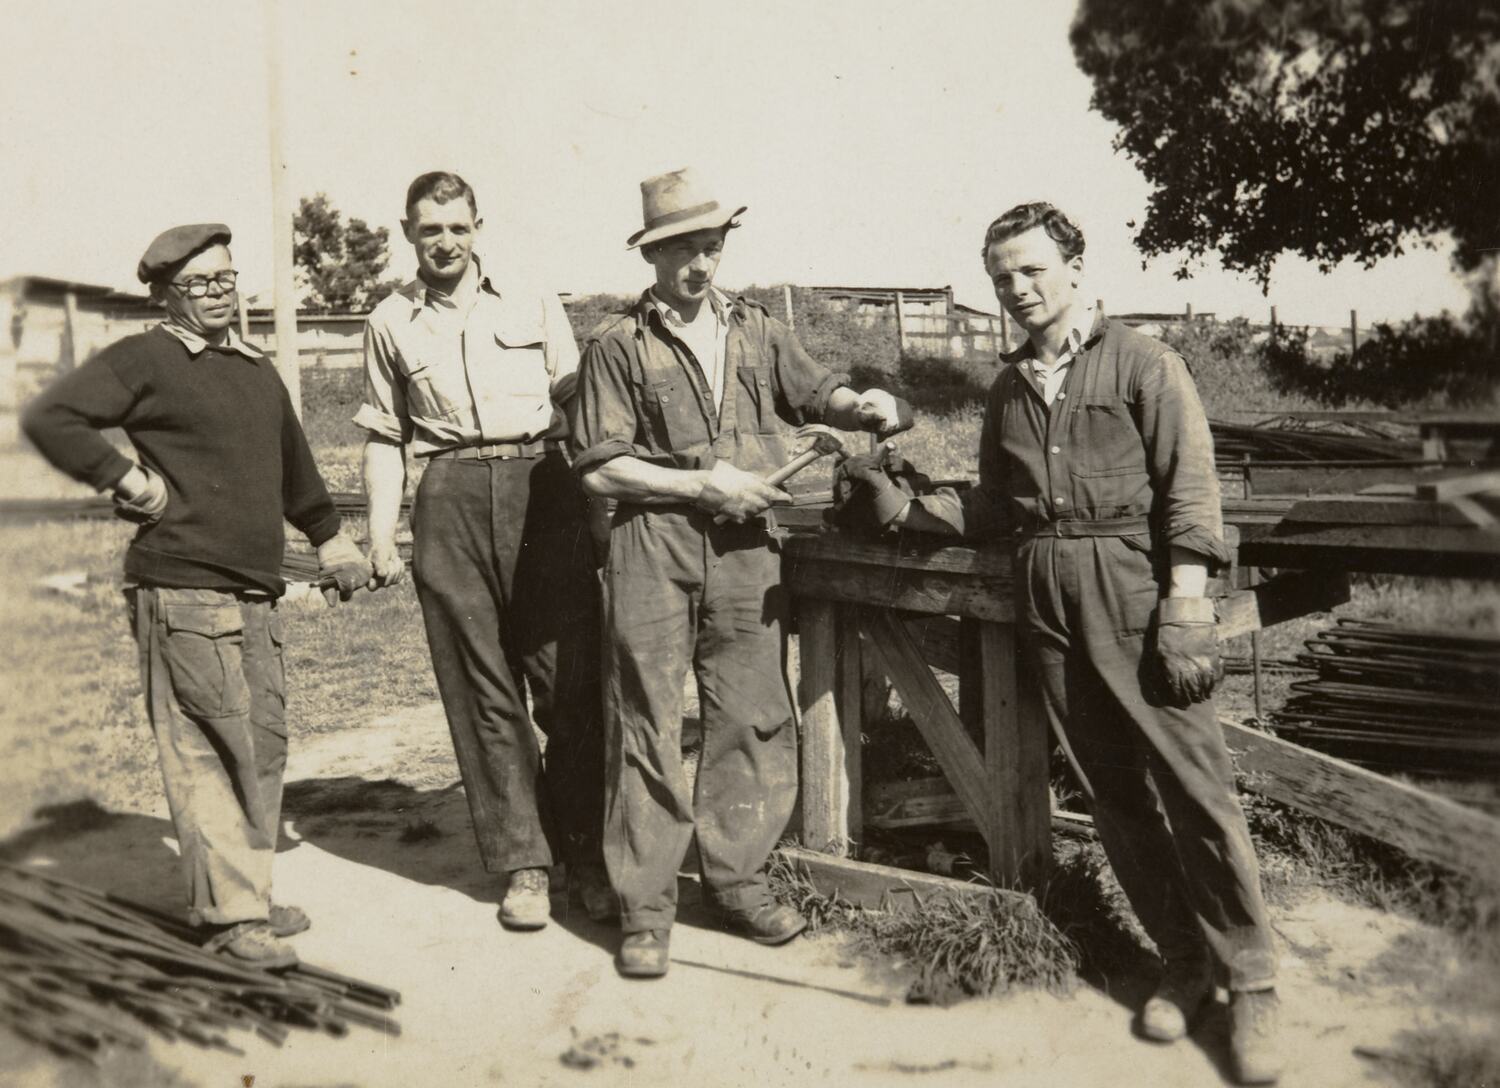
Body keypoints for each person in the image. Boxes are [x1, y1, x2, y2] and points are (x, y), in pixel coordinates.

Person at [847, 202, 1281, 1084]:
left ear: (1076, 267)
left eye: (1033, 269)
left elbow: (1192, 493)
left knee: (1196, 793)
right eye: (1003, 276)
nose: (1018, 289)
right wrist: (906, 505)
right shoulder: (1007, 388)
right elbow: (999, 507)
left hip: (1132, 588)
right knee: (1113, 794)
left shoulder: (1144, 364)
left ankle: (1254, 982)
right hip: (1046, 596)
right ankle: (1185, 962)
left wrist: (1185, 609)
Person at [569, 168, 908, 979]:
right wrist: (699, 484)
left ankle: (738, 882)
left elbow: (818, 389)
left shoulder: (756, 330)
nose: (700, 261)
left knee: (752, 714)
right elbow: (600, 470)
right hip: (653, 542)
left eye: (710, 244)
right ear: (652, 254)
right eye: (682, 246)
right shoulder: (619, 346)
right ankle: (646, 907)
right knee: (646, 720)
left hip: (748, 547)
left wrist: (863, 404)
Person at [22, 224, 370, 968]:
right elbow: (50, 417)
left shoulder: (252, 368)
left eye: (227, 279)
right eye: (201, 284)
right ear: (165, 293)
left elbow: (297, 469)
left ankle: (245, 892)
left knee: (261, 745)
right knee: (208, 748)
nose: (220, 295)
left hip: (253, 596)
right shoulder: (144, 358)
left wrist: (331, 538)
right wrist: (126, 479)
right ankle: (232, 916)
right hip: (181, 588)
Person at [355, 172, 609, 930]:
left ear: (478, 228)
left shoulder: (530, 298)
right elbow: (382, 437)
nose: (445, 242)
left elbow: (579, 404)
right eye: (430, 230)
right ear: (408, 232)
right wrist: (379, 533)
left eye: (458, 228)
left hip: (544, 484)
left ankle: (589, 855)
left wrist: (597, 510)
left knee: (570, 679)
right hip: (450, 494)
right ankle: (525, 864)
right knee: (481, 687)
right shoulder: (389, 320)